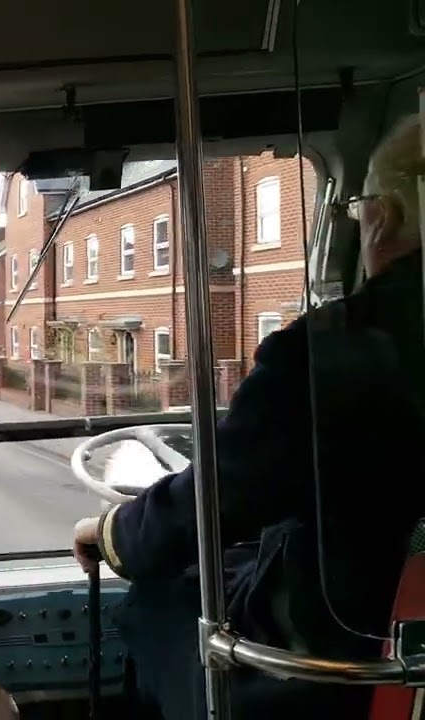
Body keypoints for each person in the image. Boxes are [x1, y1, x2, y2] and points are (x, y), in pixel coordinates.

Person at [73, 113, 425, 718]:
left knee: (158, 607)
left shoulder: (326, 355)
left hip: (346, 668)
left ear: (382, 216)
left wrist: (112, 534)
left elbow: (220, 497)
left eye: (359, 204)